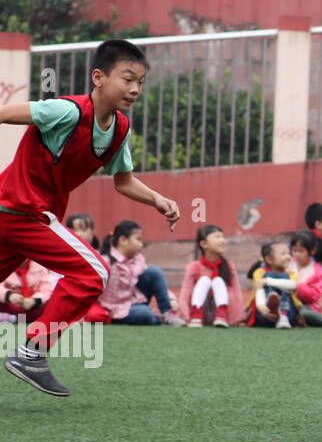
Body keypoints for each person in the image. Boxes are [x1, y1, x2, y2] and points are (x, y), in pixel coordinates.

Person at [0, 39, 181, 395]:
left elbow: (124, 180)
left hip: (14, 215)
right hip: (22, 210)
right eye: (127, 78)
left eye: (141, 81)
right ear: (98, 77)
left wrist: (158, 199)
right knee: (93, 271)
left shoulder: (119, 129)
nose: (134, 89)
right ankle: (32, 353)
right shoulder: (66, 112)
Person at [87, 220, 185, 326]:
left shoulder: (138, 259)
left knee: (154, 271)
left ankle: (167, 314)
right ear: (123, 240)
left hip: (134, 302)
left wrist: (171, 299)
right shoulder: (106, 261)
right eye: (138, 239)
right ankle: (155, 319)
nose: (141, 244)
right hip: (112, 309)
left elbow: (156, 282)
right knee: (145, 314)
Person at [180, 224, 238, 328]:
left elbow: (236, 292)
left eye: (223, 237)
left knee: (218, 281)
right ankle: (196, 314)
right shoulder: (194, 267)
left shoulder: (229, 266)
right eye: (217, 237)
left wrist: (235, 319)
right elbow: (185, 295)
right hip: (198, 315)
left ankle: (221, 315)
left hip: (221, 315)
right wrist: (186, 317)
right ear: (204, 244)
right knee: (204, 280)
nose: (223, 241)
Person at [247, 241, 299, 329]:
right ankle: (272, 301)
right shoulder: (259, 272)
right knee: (269, 274)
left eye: (288, 253)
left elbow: (293, 285)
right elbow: (259, 289)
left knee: (284, 277)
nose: (288, 257)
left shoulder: (291, 274)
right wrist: (261, 307)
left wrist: (267, 281)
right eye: (283, 254)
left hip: (288, 314)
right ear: (269, 259)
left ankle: (283, 314)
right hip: (264, 312)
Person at [289, 230, 322, 327]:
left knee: (303, 312)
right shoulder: (287, 264)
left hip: (307, 306)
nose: (297, 254)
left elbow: (314, 295)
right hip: (288, 302)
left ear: (312, 251)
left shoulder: (318, 272)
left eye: (301, 251)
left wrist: (297, 287)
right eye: (294, 250)